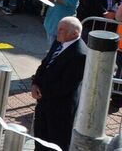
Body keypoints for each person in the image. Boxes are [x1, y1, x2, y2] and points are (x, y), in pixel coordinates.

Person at [30, 17, 87, 151]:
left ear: (74, 34)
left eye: (62, 30)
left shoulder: (80, 55)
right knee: (40, 140)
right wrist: (35, 83)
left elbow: (65, 86)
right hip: (44, 102)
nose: (58, 32)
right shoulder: (59, 41)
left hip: (60, 110)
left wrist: (41, 91)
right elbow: (45, 64)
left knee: (57, 144)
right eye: (58, 28)